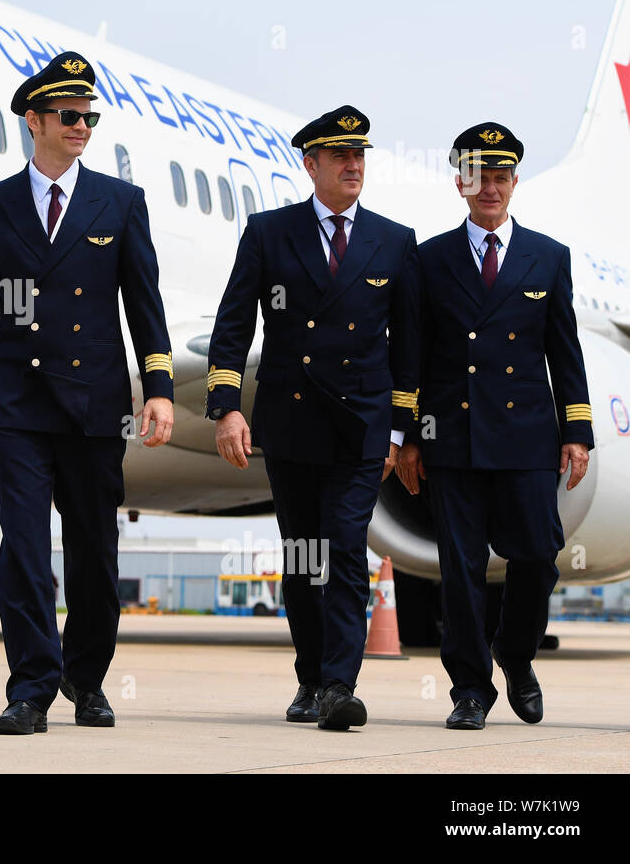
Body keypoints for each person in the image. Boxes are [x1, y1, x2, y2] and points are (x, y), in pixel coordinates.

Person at [0, 52, 175, 735]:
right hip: (17, 404)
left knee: (95, 553)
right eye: (69, 116)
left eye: (88, 116)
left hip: (95, 403)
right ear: (34, 120)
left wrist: (157, 388)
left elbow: (145, 304)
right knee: (22, 545)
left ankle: (88, 675)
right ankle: (31, 687)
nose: (82, 126)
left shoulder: (120, 203)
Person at [205, 105, 420, 730]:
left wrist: (401, 431)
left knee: (346, 550)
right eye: (340, 157)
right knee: (303, 556)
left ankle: (338, 685)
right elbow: (234, 322)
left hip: (360, 427)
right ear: (312, 164)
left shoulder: (393, 240)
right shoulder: (270, 233)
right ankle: (309, 677)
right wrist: (225, 408)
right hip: (291, 420)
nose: (354, 166)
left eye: (360, 156)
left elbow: (408, 347)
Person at [396, 122, 593, 730]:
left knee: (538, 555)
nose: (491, 188)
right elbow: (412, 352)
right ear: (460, 182)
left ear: (514, 183)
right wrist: (405, 435)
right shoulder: (428, 260)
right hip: (452, 438)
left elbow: (564, 349)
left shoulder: (548, 257)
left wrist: (577, 429)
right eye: (479, 176)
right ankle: (471, 690)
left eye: (501, 177)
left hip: (527, 438)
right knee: (459, 568)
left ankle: (516, 654)